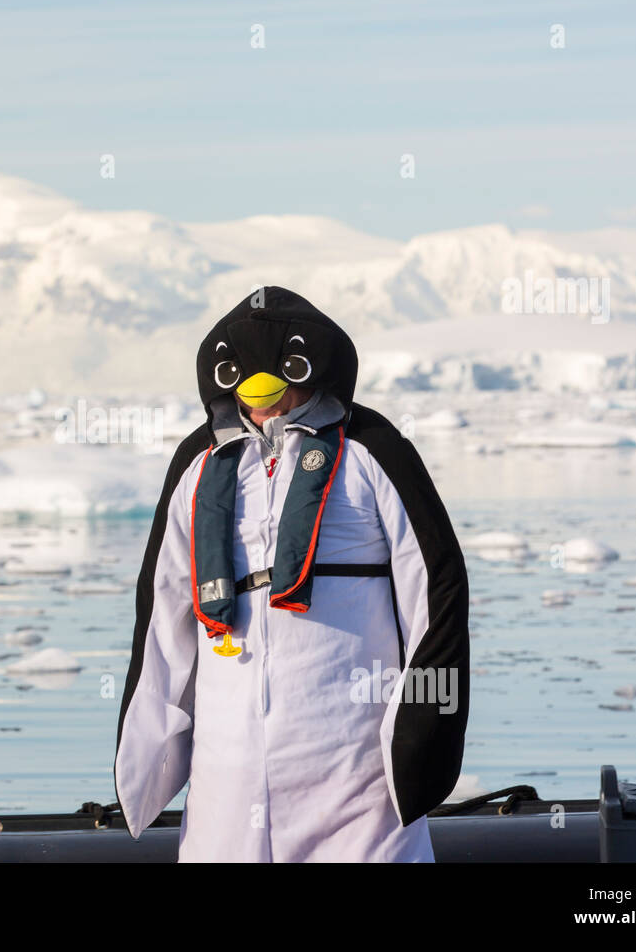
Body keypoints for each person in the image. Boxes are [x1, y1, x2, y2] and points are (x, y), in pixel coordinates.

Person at [114, 286, 470, 861]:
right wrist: (147, 746)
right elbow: (163, 608)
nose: (264, 403)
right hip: (226, 769)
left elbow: (435, 589)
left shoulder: (371, 451)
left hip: (353, 768)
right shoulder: (200, 463)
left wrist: (420, 732)